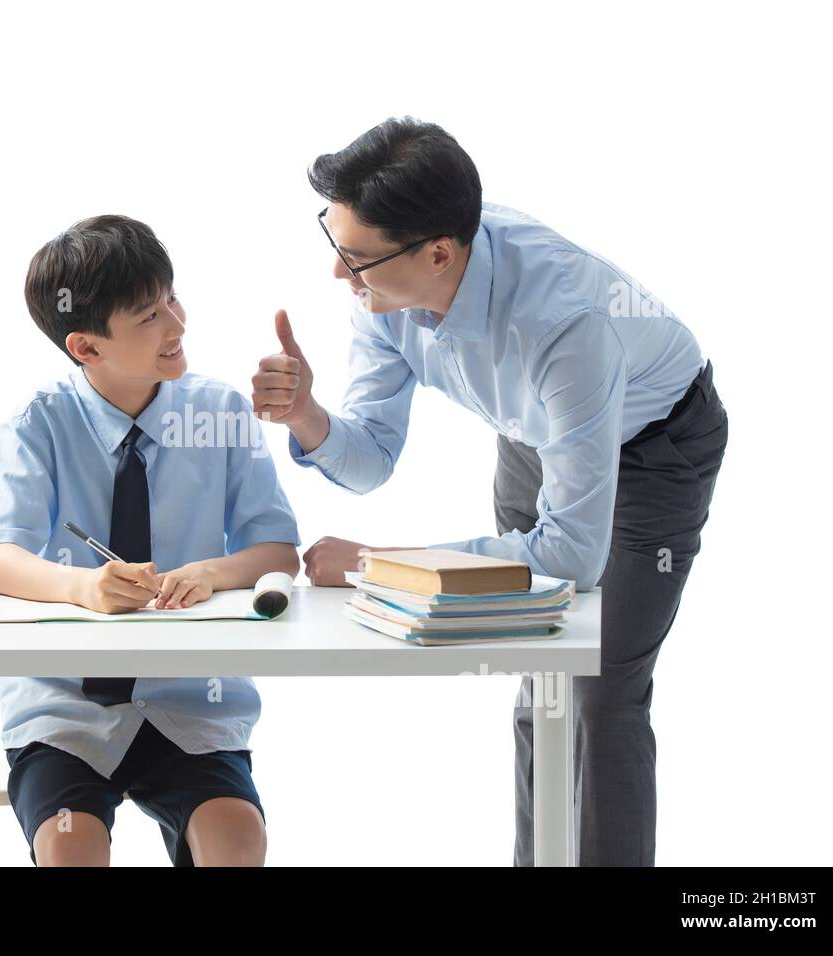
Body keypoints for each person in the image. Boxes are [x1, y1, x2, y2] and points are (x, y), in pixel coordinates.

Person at [251, 117, 728, 866]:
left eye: (356, 259)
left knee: (600, 694)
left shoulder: (566, 323)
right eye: (336, 247)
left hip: (653, 448)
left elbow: (570, 556)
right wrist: (309, 416)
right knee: (543, 684)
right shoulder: (385, 293)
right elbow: (372, 458)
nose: (340, 276)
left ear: (438, 253)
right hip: (537, 436)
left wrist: (378, 563)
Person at [0, 214, 300, 866]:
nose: (177, 326)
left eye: (171, 298)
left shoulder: (220, 412)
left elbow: (278, 551)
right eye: (148, 316)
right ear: (87, 347)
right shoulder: (38, 422)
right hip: (63, 708)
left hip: (192, 701)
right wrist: (81, 588)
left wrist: (213, 571)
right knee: (72, 848)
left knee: (236, 839)